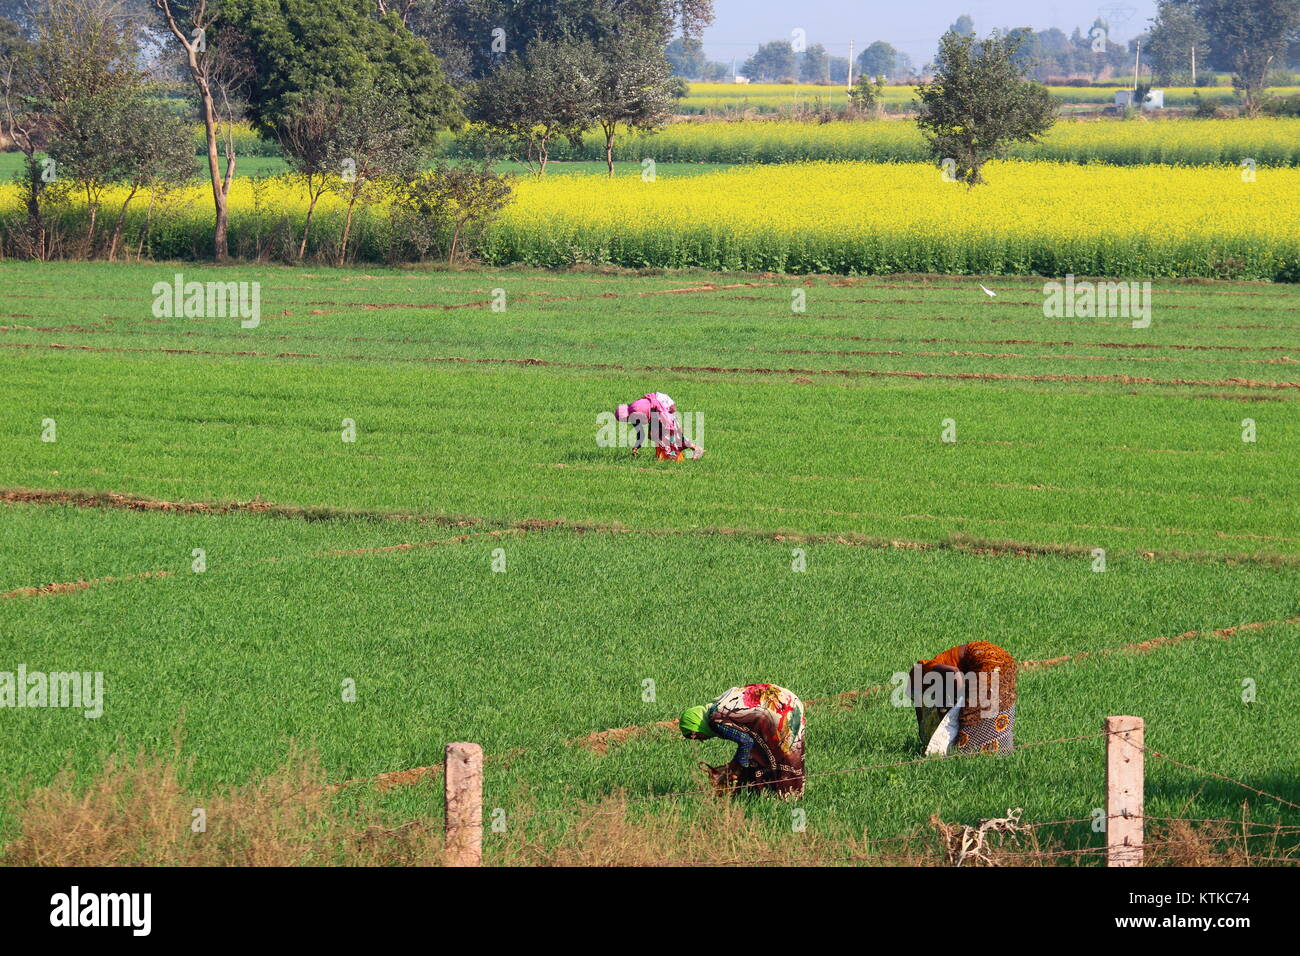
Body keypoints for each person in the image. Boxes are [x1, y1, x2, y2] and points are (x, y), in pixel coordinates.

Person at [680, 684, 805, 796]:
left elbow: (746, 742)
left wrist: (735, 768)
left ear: (696, 726)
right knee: (771, 751)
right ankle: (760, 793)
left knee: (780, 754)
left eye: (695, 736)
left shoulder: (716, 720)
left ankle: (783, 796)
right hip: (787, 699)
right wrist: (735, 765)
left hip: (779, 708)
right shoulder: (718, 707)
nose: (700, 740)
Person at [908, 641, 1017, 755]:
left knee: (972, 716)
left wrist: (962, 701)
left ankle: (970, 753)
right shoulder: (929, 674)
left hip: (985, 659)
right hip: (1004, 658)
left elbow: (955, 673)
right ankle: (1002, 750)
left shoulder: (925, 669)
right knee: (998, 705)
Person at [614, 392, 703, 460]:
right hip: (658, 406)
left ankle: (693, 449)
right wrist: (635, 447)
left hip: (663, 404)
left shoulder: (636, 410)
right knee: (660, 434)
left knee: (669, 432)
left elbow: (654, 409)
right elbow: (640, 434)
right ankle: (666, 454)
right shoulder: (633, 414)